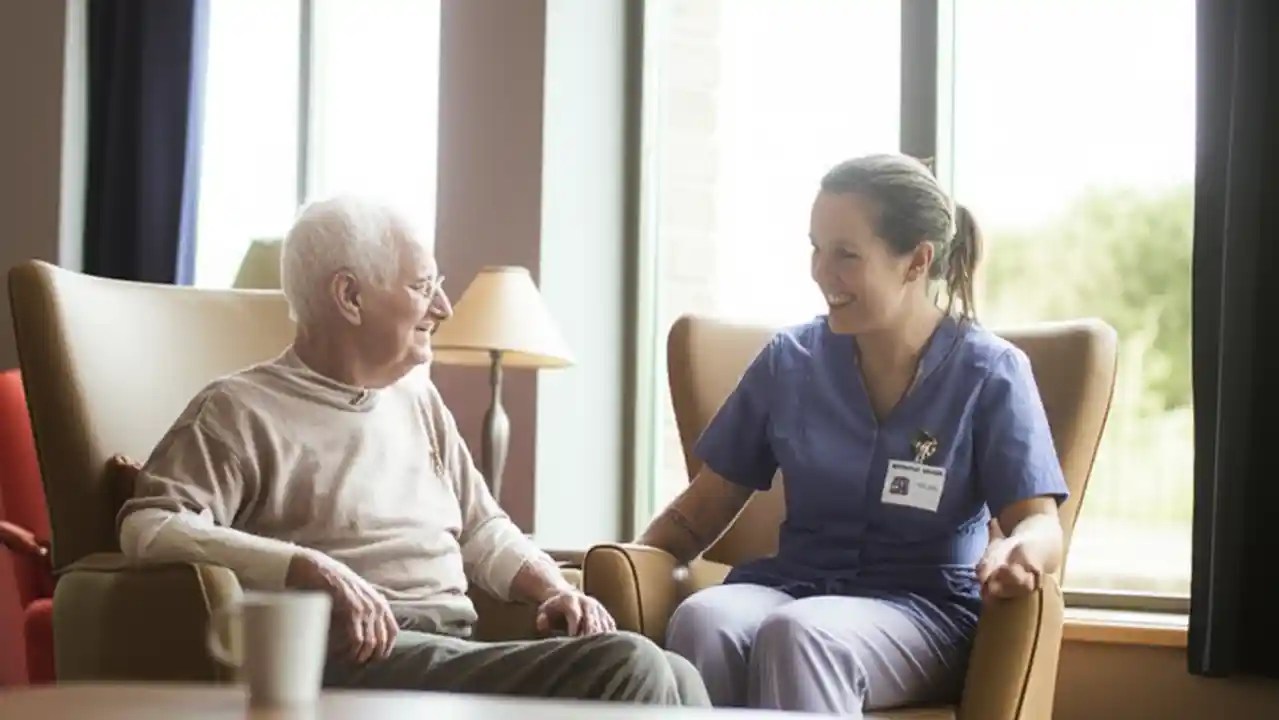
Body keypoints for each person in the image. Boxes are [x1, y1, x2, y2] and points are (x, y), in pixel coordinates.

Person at [115, 196, 709, 706]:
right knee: (630, 667)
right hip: (358, 660)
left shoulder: (416, 398)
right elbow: (149, 526)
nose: (443, 308)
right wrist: (305, 565)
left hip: (453, 648)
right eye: (423, 287)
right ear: (349, 296)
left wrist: (551, 587)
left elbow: (482, 531)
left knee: (677, 673)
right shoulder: (238, 409)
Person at [637, 154, 1068, 716]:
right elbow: (697, 514)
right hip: (794, 585)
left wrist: (1018, 549)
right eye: (816, 248)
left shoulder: (990, 373)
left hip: (923, 609)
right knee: (705, 618)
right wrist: (621, 570)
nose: (820, 271)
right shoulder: (788, 362)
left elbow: (1040, 523)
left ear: (916, 262)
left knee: (803, 635)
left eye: (845, 255)